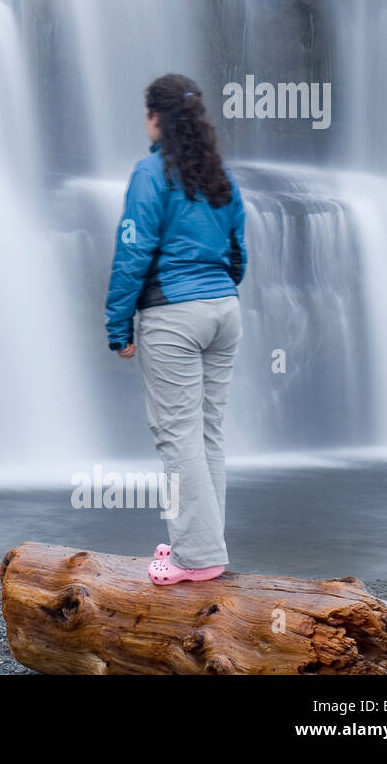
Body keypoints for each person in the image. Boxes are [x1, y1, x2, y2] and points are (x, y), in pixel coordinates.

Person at [104, 73, 247, 586]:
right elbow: (237, 253)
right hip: (224, 312)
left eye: (147, 115)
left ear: (156, 118)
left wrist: (118, 325)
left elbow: (133, 252)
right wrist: (218, 295)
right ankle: (204, 543)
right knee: (208, 432)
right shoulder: (220, 176)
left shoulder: (150, 173)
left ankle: (194, 556)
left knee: (176, 435)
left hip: (173, 315)